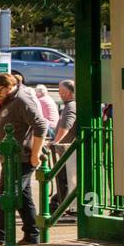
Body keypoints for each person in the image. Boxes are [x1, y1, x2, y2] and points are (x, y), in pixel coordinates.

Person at [0, 72, 48, 246]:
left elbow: (41, 124)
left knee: (7, 195)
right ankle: (31, 234)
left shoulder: (20, 99)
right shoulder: (10, 97)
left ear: (9, 86)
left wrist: (35, 154)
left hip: (21, 157)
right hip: (11, 157)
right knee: (23, 197)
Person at [51, 79, 77, 210]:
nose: (59, 94)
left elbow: (66, 126)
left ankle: (62, 206)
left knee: (64, 179)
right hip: (69, 149)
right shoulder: (71, 105)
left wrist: (56, 141)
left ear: (67, 92)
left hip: (69, 150)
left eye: (60, 91)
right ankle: (59, 203)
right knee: (65, 179)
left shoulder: (71, 106)